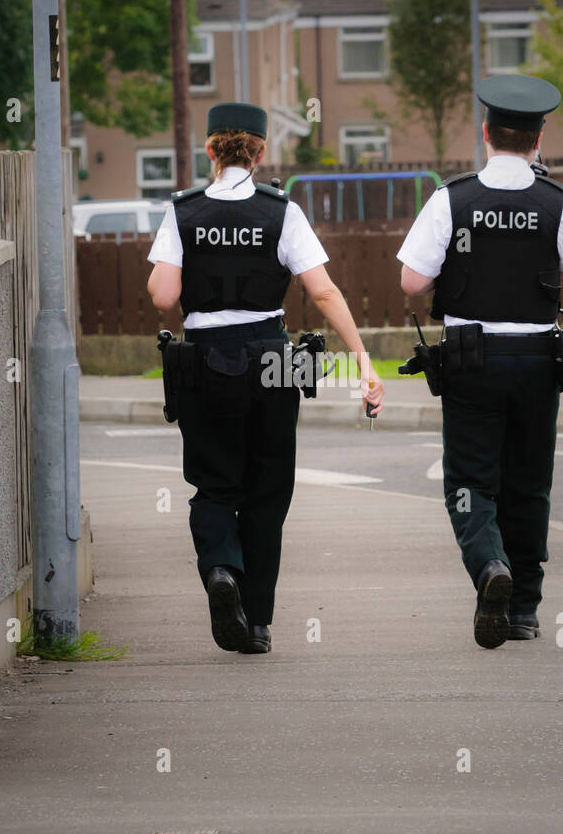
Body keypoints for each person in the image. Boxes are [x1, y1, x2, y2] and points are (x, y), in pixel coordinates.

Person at [147, 101, 385, 656]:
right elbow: (322, 291)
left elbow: (164, 296)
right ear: (260, 152)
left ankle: (220, 571)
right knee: (268, 489)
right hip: (273, 361)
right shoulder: (282, 211)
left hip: (206, 357)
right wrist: (362, 361)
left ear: (210, 150)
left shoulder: (182, 211)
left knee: (213, 486)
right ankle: (256, 622)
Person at [397, 74, 563, 649]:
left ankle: (489, 568)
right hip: (536, 359)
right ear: (538, 139)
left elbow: (412, 281)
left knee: (470, 480)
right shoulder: (562, 203)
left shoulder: (451, 199)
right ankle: (525, 609)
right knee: (530, 483)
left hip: (470, 360)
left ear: (486, 133)